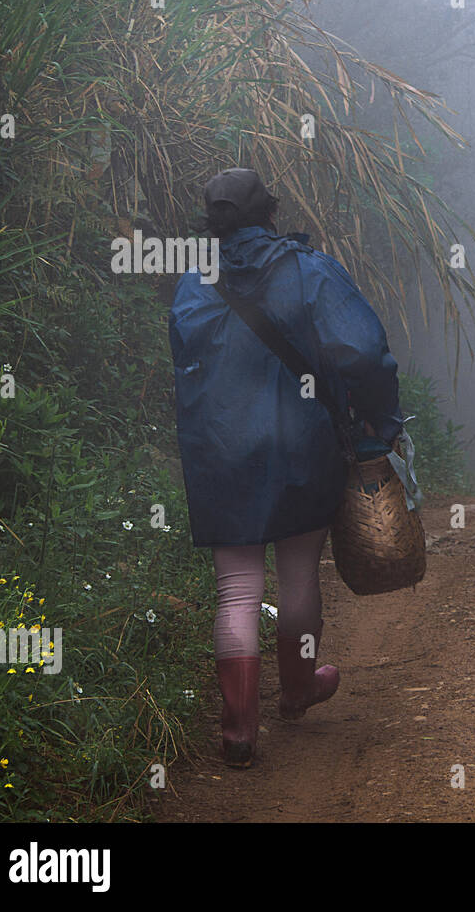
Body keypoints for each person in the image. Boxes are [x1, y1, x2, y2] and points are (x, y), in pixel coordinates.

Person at [169, 167, 404, 767]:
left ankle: (239, 731)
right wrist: (380, 420)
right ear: (270, 211)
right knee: (298, 577)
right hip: (302, 443)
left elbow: (187, 360)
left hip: (220, 450)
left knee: (237, 588)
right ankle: (297, 690)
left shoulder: (195, 280)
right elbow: (366, 353)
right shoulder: (310, 270)